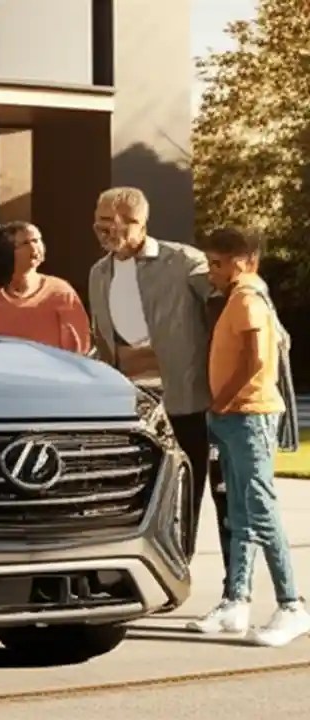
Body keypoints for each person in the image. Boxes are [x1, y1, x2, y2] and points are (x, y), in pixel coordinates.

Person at [87, 187, 229, 584]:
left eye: (110, 220)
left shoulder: (184, 262)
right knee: (141, 494)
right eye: (98, 218)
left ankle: (231, 587)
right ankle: (151, 574)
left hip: (188, 400)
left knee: (198, 491)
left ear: (137, 222)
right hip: (132, 404)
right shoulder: (99, 273)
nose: (101, 227)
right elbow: (104, 339)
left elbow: (228, 302)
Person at [186, 227, 308, 645]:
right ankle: (236, 602)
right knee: (237, 512)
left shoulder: (249, 298)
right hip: (235, 418)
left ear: (243, 260)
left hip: (249, 417)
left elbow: (257, 359)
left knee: (260, 510)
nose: (211, 271)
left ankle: (292, 605)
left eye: (217, 263)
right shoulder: (242, 297)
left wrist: (222, 399)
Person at [0, 221, 91, 354]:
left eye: (37, 240)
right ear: (4, 252)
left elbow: (80, 347)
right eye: (25, 243)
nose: (35, 247)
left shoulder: (60, 291)